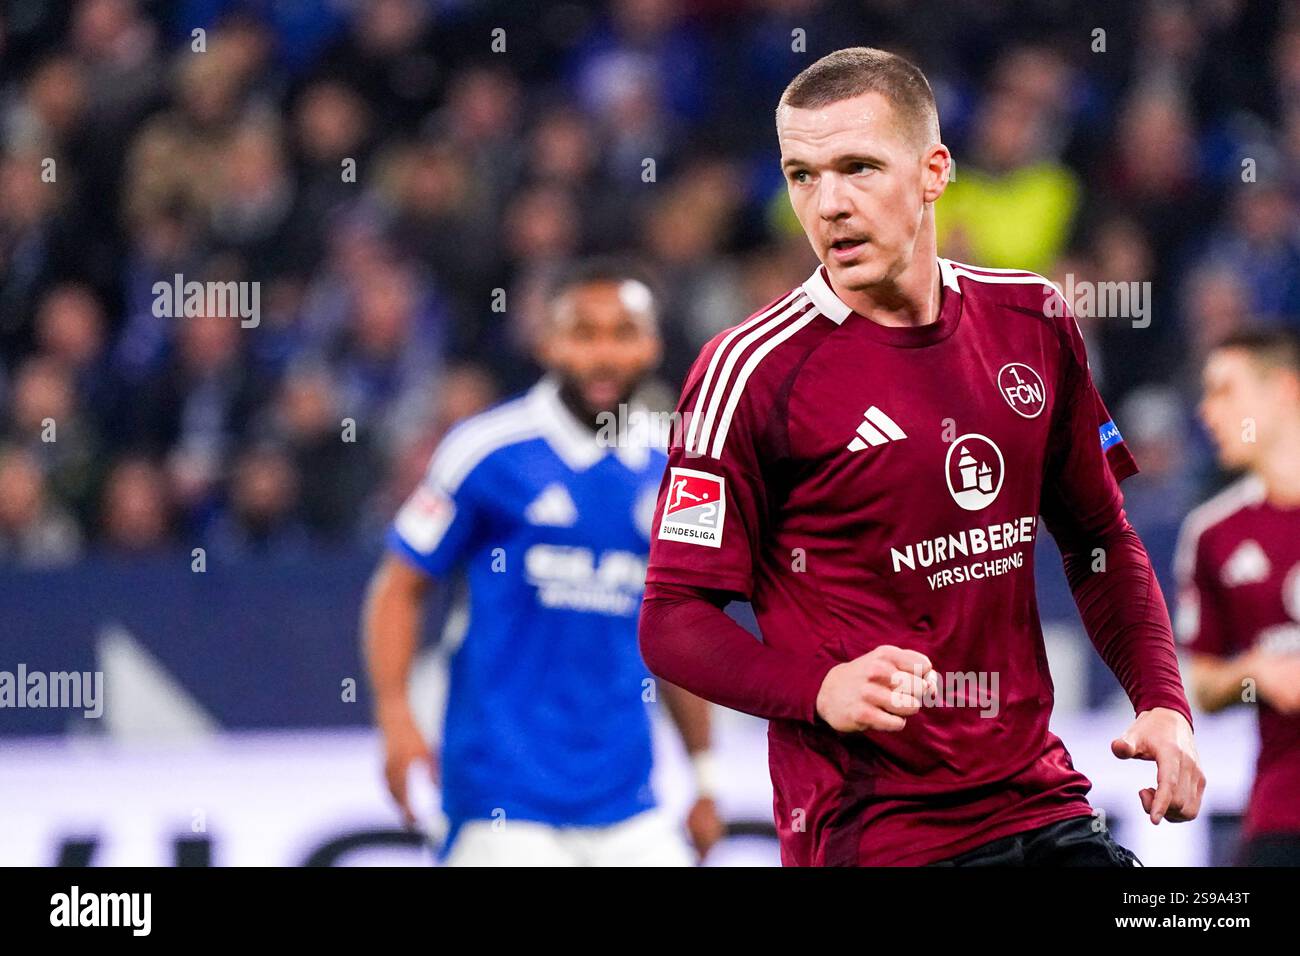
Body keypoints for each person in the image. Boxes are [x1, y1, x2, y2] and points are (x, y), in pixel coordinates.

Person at [638, 47, 1204, 867]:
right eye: (802, 175)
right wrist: (818, 690)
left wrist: (1161, 700)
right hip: (876, 834)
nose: (828, 205)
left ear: (935, 171)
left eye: (858, 168)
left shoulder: (1034, 322)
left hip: (1043, 804)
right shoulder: (747, 372)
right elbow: (672, 618)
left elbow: (1098, 537)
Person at [364, 258, 722, 865]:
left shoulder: (678, 468)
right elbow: (400, 588)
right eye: (584, 333)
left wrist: (705, 777)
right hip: (500, 804)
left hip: (629, 804)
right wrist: (396, 715)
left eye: (622, 333)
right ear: (549, 342)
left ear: (652, 345)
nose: (603, 355)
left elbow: (679, 632)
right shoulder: (486, 452)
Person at [1175, 328, 1300, 866]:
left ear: (1284, 390)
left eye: (1225, 391)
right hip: (1280, 814)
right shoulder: (1213, 533)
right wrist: (1256, 674)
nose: (1207, 412)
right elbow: (1200, 683)